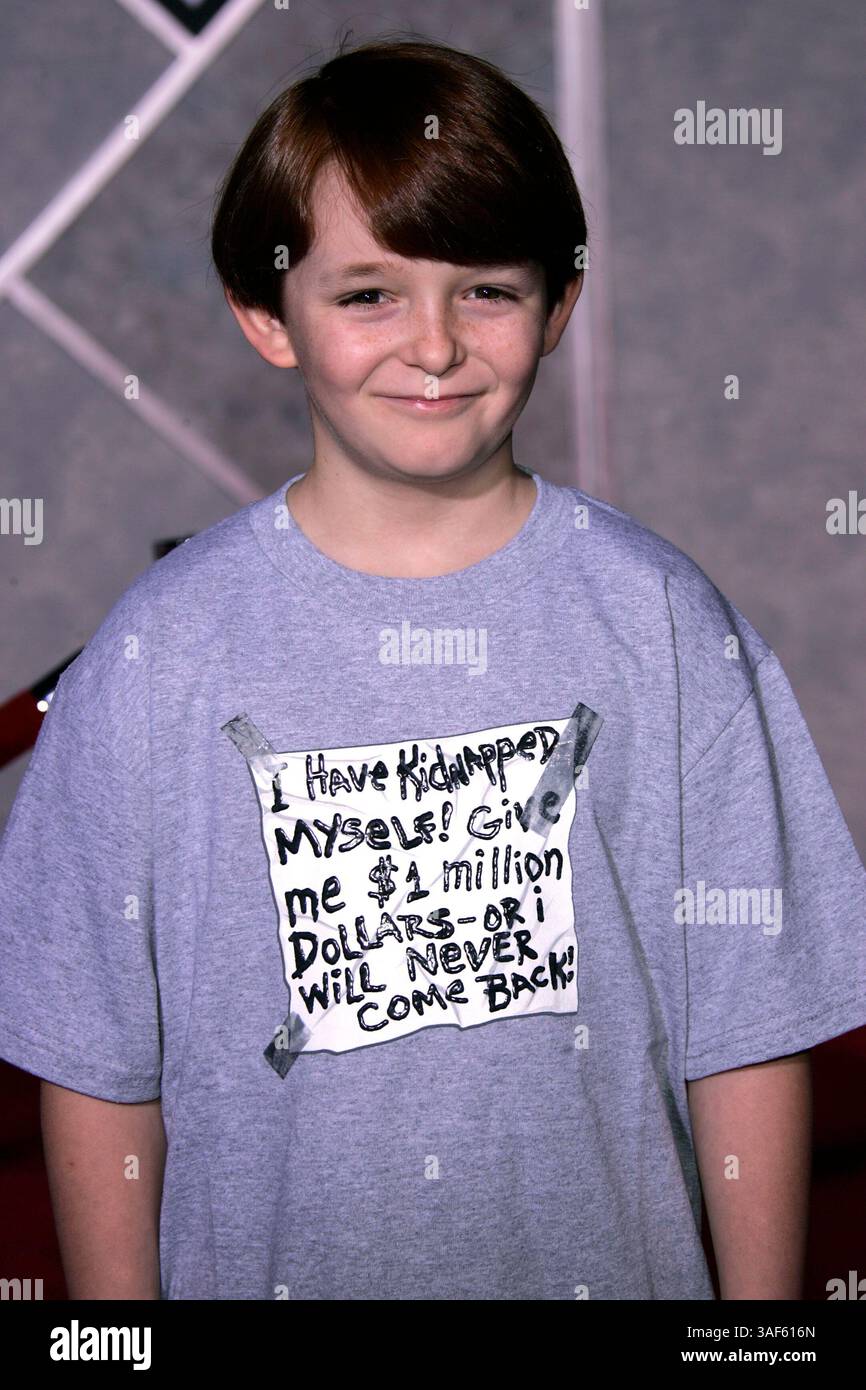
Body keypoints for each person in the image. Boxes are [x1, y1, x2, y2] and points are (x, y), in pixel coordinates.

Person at [1, 34, 865, 1303]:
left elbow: (745, 1032)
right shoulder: (155, 656)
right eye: (366, 294)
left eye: (486, 290)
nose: (434, 345)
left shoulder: (669, 625)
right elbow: (95, 1067)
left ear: (557, 302)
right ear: (266, 313)